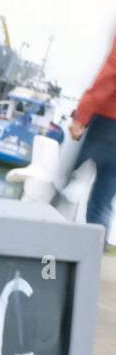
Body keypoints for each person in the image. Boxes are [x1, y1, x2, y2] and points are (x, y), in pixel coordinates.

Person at [69, 33, 116, 238]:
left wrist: (81, 116)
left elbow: (109, 76)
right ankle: (92, 261)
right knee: (103, 201)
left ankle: (46, 250)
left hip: (107, 122)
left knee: (65, 177)